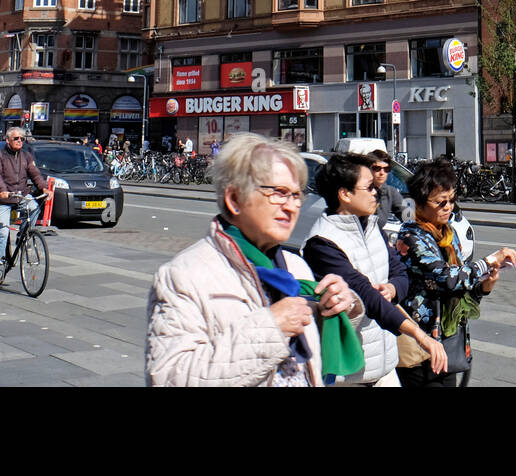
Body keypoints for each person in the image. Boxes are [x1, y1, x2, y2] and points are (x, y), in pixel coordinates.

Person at [145, 133, 361, 386]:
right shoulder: (183, 276)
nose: (291, 206)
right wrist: (272, 329)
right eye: (279, 193)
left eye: (295, 195)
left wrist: (334, 308)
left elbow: (308, 360)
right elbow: (169, 377)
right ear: (234, 199)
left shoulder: (296, 266)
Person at [303, 154, 447, 386]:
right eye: (369, 187)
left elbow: (399, 271)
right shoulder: (322, 244)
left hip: (384, 364)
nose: (376, 192)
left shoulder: (370, 225)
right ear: (345, 194)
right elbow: (367, 295)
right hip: (348, 374)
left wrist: (392, 288)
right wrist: (420, 335)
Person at [395, 159, 516, 387]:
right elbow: (448, 278)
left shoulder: (448, 235)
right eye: (441, 202)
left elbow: (461, 290)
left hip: (447, 342)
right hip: (419, 346)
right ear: (420, 204)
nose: (448, 207)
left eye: (452, 200)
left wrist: (484, 287)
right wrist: (490, 260)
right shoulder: (411, 236)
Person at [0, 127, 49, 284]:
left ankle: (24, 236)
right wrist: (2, 190)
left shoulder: (26, 156)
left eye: (22, 138)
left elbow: (34, 173)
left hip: (20, 196)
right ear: (8, 140)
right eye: (16, 138)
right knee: (3, 231)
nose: (20, 140)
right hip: (2, 199)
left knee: (34, 207)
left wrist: (44, 187)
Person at [369, 149, 405, 234]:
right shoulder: (360, 190)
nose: (382, 173)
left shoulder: (390, 192)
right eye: (377, 168)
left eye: (386, 169)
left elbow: (409, 218)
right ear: (368, 169)